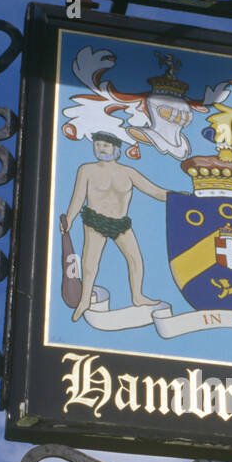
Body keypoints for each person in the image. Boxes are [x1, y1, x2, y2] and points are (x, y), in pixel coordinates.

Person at [61, 132, 168, 322]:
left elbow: (156, 192)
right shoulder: (86, 170)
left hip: (120, 223)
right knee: (90, 263)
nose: (101, 149)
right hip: (95, 220)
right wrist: (69, 219)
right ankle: (84, 299)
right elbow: (78, 198)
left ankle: (137, 296)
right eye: (98, 145)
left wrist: (181, 197)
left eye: (105, 145)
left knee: (135, 259)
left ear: (116, 149)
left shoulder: (129, 172)